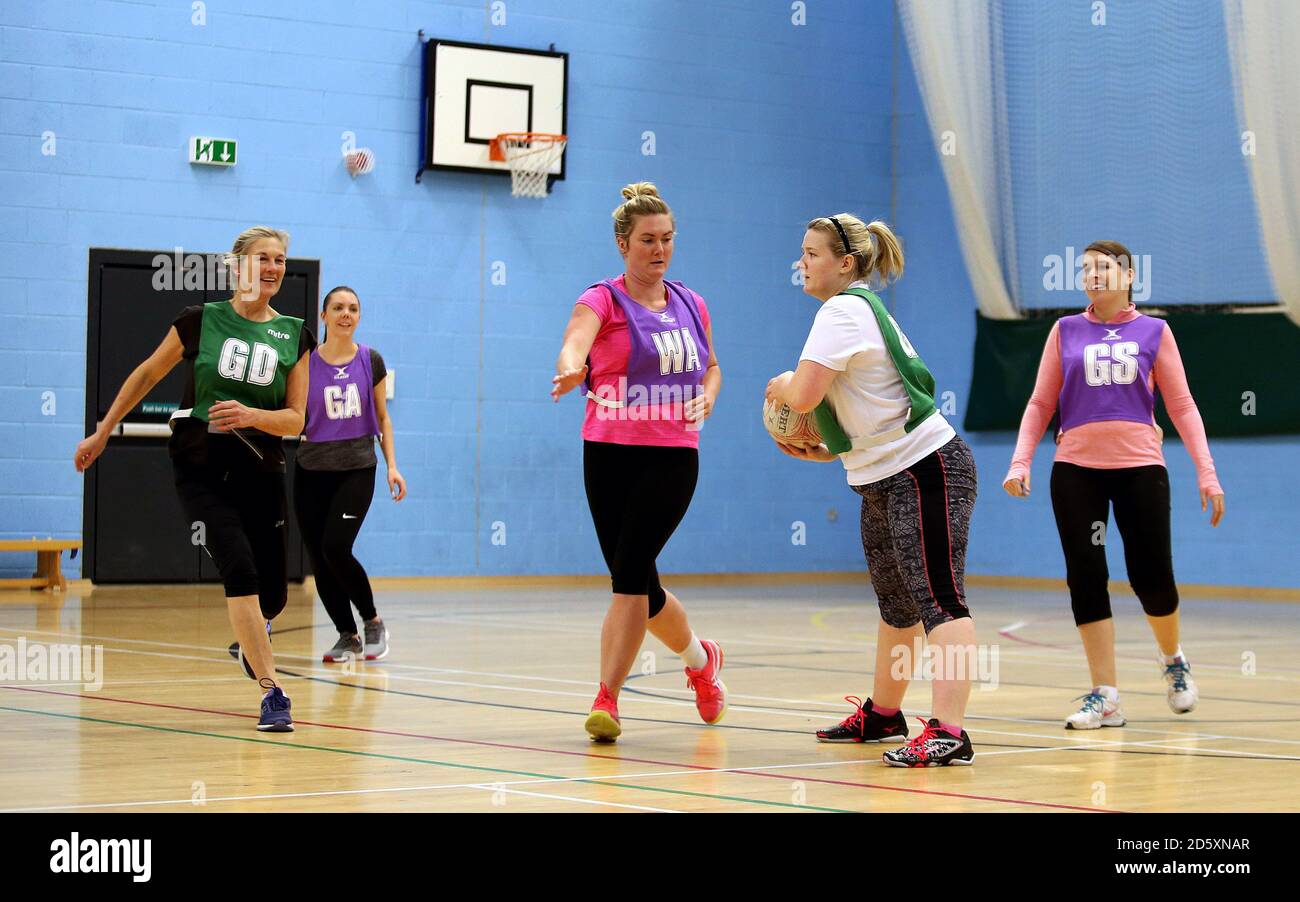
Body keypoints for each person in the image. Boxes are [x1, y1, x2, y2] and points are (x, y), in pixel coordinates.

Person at [75, 226, 313, 732]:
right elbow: (145, 373)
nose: (273, 268)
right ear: (238, 265)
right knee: (240, 570)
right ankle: (273, 693)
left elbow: (296, 420)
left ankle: (256, 635)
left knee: (273, 593)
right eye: (263, 258)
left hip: (262, 466)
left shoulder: (295, 334)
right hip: (201, 463)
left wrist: (251, 415)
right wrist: (103, 430)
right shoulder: (200, 321)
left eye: (281, 259)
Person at [767, 213, 979, 767]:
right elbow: (870, 405)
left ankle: (950, 731)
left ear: (847, 264)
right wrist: (833, 450)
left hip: (924, 467)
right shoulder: (853, 309)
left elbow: (805, 395)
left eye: (812, 253)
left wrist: (779, 386)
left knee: (941, 601)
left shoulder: (840, 309)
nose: (802, 263)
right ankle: (885, 713)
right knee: (897, 605)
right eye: (802, 252)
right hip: (884, 473)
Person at [1003, 240, 1225, 729]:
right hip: (1076, 469)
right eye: (1086, 268)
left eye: (1103, 267)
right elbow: (1041, 404)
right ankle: (1105, 695)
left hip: (1140, 466)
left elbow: (1183, 406)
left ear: (1128, 276)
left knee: (1151, 576)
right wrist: (1022, 462)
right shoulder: (1065, 331)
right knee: (1085, 573)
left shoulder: (1154, 332)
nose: (1092, 275)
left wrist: (1206, 473)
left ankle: (1173, 661)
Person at [550, 182, 725, 742]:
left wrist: (711, 393)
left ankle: (608, 697)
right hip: (607, 453)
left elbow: (713, 367)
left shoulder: (692, 303)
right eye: (648, 240)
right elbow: (575, 341)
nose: (660, 249)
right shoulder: (601, 298)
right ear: (624, 244)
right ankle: (701, 659)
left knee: (627, 577)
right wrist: (574, 367)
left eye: (668, 239)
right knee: (638, 582)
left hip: (673, 454)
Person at [295, 286, 405, 664]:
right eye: (338, 308)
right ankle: (347, 635)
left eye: (353, 308)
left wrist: (392, 465)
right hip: (310, 468)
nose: (346, 314)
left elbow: (384, 418)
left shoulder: (370, 360)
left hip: (357, 467)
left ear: (359, 317)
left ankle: (372, 621)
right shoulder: (305, 361)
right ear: (323, 316)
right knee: (318, 558)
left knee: (336, 548)